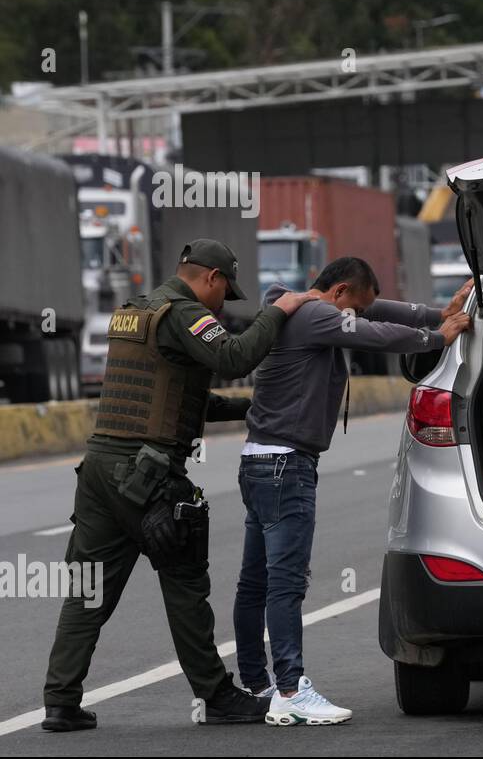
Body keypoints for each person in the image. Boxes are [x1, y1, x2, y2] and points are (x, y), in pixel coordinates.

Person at [43, 239, 312, 731]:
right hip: (146, 474)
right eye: (224, 292)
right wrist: (279, 312)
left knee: (88, 591)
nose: (222, 304)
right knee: (186, 584)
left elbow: (175, 399)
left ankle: (60, 701)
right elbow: (234, 357)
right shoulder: (184, 313)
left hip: (101, 468)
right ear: (211, 277)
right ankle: (217, 696)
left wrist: (247, 410)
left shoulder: (137, 312)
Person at [233, 257, 472, 725]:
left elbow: (379, 310)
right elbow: (374, 334)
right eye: (355, 306)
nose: (360, 314)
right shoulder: (317, 317)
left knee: (255, 581)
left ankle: (256, 684)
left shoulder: (298, 307)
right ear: (340, 291)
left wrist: (436, 312)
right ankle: (289, 689)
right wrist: (436, 338)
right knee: (285, 584)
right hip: (286, 466)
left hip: (259, 461)